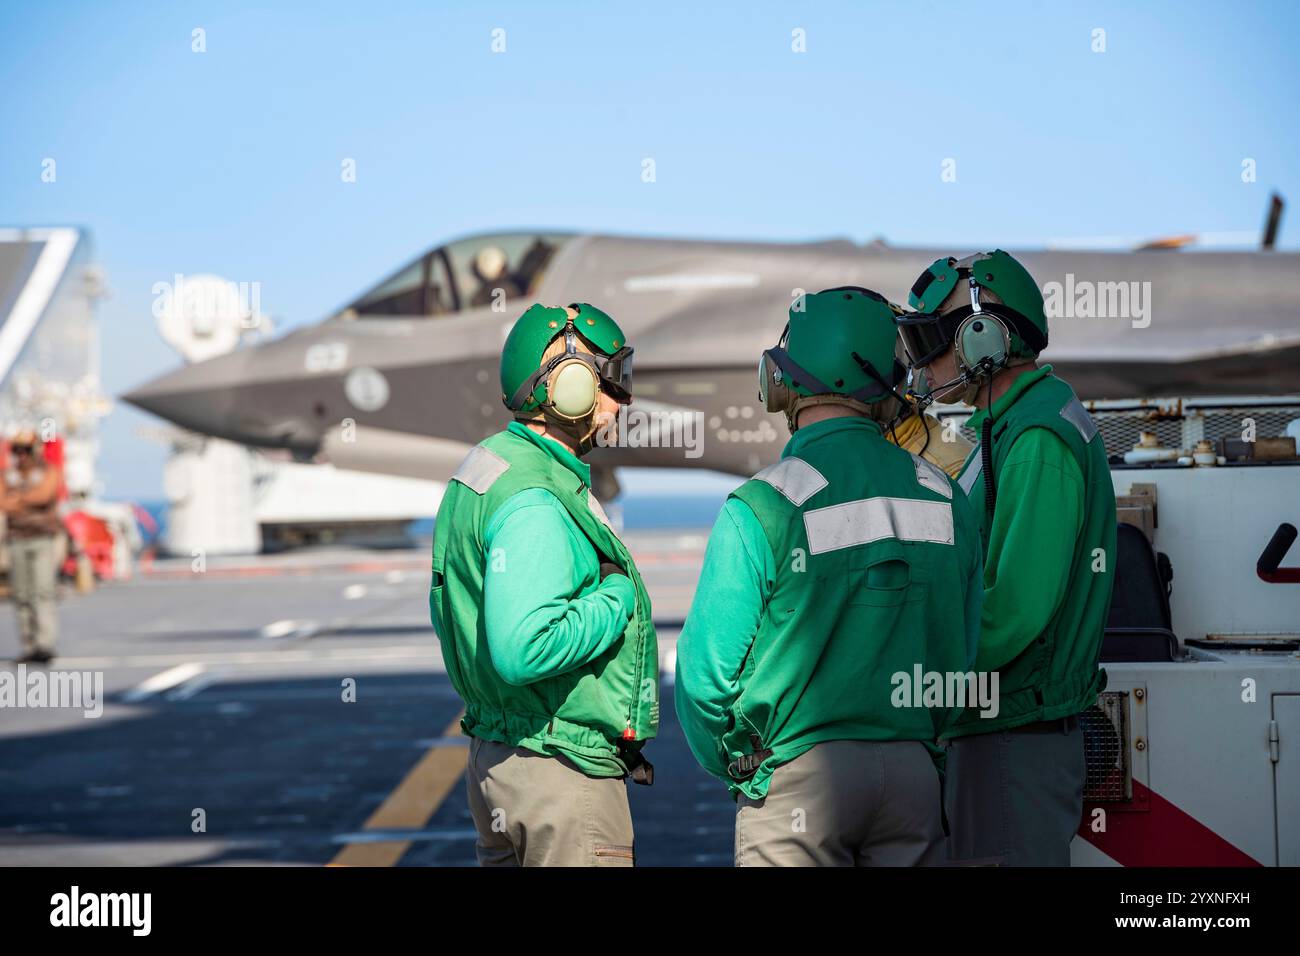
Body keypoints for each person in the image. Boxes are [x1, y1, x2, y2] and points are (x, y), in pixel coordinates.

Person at [675, 287, 983, 866]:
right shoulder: (944, 496)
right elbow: (961, 652)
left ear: (786, 380)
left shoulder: (764, 504)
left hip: (799, 782)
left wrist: (745, 762)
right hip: (914, 776)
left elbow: (704, 678)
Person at [896, 250, 1117, 866]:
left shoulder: (1036, 440)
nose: (920, 363)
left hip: (1011, 733)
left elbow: (1014, 611)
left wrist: (909, 668)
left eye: (928, 342)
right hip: (997, 728)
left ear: (982, 336)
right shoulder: (1007, 429)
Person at [430, 302, 656, 866]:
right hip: (559, 772)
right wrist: (617, 599)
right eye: (612, 382)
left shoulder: (492, 466)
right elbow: (522, 649)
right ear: (566, 385)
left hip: (503, 758)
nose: (622, 402)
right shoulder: (536, 498)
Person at [2, 430, 63, 664]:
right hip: (17, 539)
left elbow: (43, 496)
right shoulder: (8, 475)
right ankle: (29, 646)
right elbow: (3, 503)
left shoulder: (47, 471)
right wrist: (23, 499)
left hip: (42, 539)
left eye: (25, 450)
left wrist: (17, 498)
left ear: (35, 450)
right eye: (17, 450)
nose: (21, 455)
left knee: (43, 591)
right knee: (22, 594)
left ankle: (45, 644)